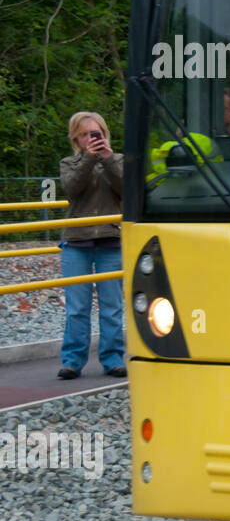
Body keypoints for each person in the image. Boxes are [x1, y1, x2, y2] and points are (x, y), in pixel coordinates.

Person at [58, 112, 126, 379]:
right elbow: (72, 189)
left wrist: (107, 159)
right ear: (76, 138)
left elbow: (126, 188)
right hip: (77, 241)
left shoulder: (118, 160)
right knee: (77, 307)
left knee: (112, 307)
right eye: (86, 134)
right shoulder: (69, 162)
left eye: (96, 133)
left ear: (105, 133)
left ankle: (113, 359)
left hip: (111, 240)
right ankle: (73, 361)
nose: (92, 138)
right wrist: (88, 158)